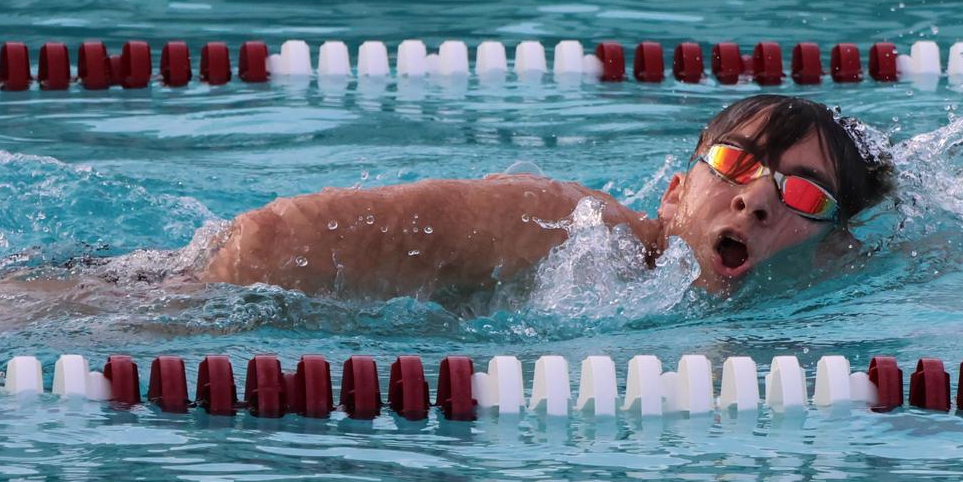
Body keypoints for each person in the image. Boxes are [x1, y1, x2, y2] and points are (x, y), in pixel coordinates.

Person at [198, 94, 893, 299]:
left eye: (802, 191)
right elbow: (271, 241)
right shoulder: (563, 225)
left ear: (835, 251)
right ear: (675, 195)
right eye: (736, 162)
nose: (756, 201)